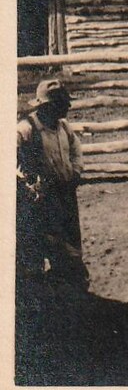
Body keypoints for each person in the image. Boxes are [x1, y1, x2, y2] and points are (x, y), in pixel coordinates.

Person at [16, 79, 89, 292]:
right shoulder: (26, 129)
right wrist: (26, 183)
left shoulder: (64, 127)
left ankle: (72, 289)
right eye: (63, 103)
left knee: (72, 241)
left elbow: (76, 149)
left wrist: (76, 171)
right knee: (48, 244)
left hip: (66, 193)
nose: (68, 107)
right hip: (42, 201)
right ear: (48, 105)